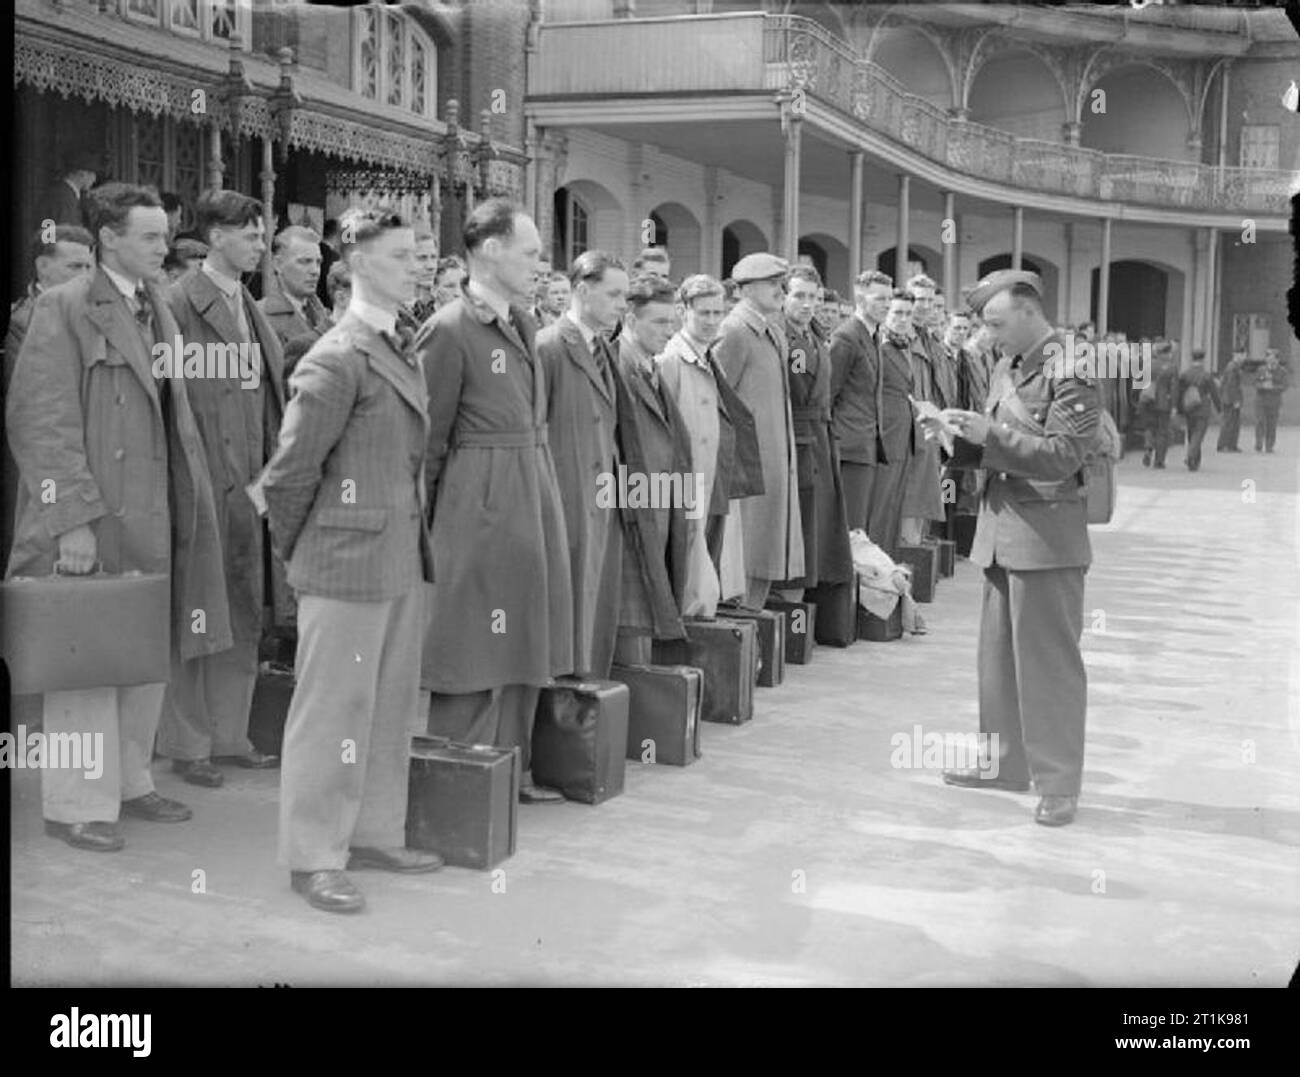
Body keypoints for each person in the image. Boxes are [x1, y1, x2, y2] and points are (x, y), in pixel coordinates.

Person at [6, 182, 231, 852]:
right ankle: (76, 802)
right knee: (87, 656)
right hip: (97, 513)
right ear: (108, 238)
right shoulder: (65, 307)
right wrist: (68, 519)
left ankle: (130, 781)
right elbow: (40, 421)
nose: (166, 248)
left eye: (165, 236)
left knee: (142, 652)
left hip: (154, 507)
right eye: (152, 237)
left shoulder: (154, 305)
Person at [261, 208, 442, 913]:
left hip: (397, 554)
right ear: (360, 263)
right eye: (403, 255)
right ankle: (313, 855)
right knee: (333, 710)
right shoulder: (335, 356)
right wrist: (305, 555)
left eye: (421, 254)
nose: (419, 266)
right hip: (342, 562)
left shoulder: (400, 344)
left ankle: (371, 831)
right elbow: (287, 474)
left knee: (390, 706)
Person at [928, 270, 1098, 828]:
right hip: (1002, 533)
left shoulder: (1071, 366)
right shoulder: (1009, 365)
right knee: (997, 661)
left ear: (1029, 312)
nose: (990, 336)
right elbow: (999, 448)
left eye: (997, 324)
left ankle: (1058, 784)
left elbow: (1062, 456)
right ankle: (1004, 764)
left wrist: (990, 437)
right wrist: (959, 440)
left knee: (1047, 665)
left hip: (1047, 539)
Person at [418, 200, 573, 805]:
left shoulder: (524, 323)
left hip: (530, 489)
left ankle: (512, 773)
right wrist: (427, 528)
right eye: (530, 252)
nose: (540, 264)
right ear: (489, 251)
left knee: (524, 636)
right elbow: (426, 439)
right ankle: (459, 782)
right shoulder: (452, 328)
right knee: (474, 645)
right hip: (476, 498)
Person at [158, 189, 286, 787]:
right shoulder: (178, 303)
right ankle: (189, 744)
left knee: (241, 607)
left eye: (261, 234)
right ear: (215, 238)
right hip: (204, 478)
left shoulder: (250, 306)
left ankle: (230, 735)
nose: (259, 243)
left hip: (251, 482)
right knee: (198, 611)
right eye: (249, 234)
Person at [537, 250, 628, 685]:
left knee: (591, 608)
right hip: (567, 498)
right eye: (612, 294)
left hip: (599, 498)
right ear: (581, 290)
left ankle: (584, 702)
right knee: (566, 613)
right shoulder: (551, 345)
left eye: (624, 296)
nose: (621, 305)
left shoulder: (602, 348)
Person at [657, 274, 761, 617]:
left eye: (718, 313)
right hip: (687, 481)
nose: (712, 321)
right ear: (683, 311)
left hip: (713, 475)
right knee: (691, 572)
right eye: (703, 313)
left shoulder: (706, 354)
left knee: (707, 562)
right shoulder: (672, 358)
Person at [713, 253, 804, 610]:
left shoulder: (773, 333)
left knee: (765, 556)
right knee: (745, 558)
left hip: (776, 465)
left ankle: (754, 633)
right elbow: (719, 401)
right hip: (748, 471)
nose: (780, 291)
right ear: (746, 289)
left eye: (781, 282)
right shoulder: (733, 331)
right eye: (771, 283)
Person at [3, 224, 96, 565]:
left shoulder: (90, 313)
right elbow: (33, 405)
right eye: (74, 267)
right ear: (43, 266)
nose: (84, 276)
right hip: (33, 468)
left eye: (89, 267)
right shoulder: (20, 322)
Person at [611, 274, 692, 664]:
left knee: (646, 616)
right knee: (631, 620)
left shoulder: (648, 365)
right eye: (659, 322)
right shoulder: (618, 364)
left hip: (656, 503)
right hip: (633, 511)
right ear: (630, 320)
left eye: (672, 320)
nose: (670, 330)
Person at [776, 265, 852, 598]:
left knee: (819, 524)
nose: (807, 304)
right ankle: (791, 599)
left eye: (813, 297)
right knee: (798, 526)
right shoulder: (780, 336)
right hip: (794, 438)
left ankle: (808, 601)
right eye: (799, 296)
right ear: (783, 297)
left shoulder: (817, 337)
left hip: (819, 436)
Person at [829, 270, 890, 534]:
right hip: (848, 446)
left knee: (858, 525)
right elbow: (828, 393)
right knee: (850, 527)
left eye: (888, 298)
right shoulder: (847, 337)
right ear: (861, 300)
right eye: (879, 299)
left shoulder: (873, 336)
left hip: (866, 444)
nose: (886, 305)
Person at [870, 291, 921, 558]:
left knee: (893, 510)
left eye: (907, 314)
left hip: (902, 439)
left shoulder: (904, 348)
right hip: (883, 439)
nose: (902, 319)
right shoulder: (878, 346)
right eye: (897, 313)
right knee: (878, 513)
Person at [899, 275, 948, 545]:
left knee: (921, 512)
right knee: (908, 511)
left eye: (930, 300)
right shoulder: (899, 338)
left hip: (929, 434)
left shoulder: (930, 340)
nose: (924, 306)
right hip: (909, 436)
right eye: (919, 299)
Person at [259, 225, 330, 347]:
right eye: (305, 261)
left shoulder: (325, 315)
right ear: (278, 264)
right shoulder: (259, 318)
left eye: (318, 262)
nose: (315, 271)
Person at [1175, 350, 1221, 471]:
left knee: (1191, 433)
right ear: (1202, 360)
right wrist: (1219, 408)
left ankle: (1195, 461)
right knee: (1199, 434)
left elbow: (1179, 392)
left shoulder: (1185, 374)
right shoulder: (1206, 375)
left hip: (1189, 407)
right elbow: (1214, 393)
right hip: (1202, 407)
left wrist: (1179, 408)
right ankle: (1191, 456)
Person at [37, 150, 101, 228]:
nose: (94, 180)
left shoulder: (66, 193)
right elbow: (65, 233)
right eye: (93, 175)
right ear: (82, 174)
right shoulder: (64, 196)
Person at [1138, 342, 1177, 468]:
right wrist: (1175, 405)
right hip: (1164, 403)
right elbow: (1174, 388)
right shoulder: (1172, 367)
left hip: (1148, 401)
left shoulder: (1149, 365)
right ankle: (1159, 461)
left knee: (1150, 426)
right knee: (1162, 431)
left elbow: (1139, 382)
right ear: (1167, 353)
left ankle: (1148, 447)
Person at [1253, 349, 1289, 453]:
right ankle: (1258, 444)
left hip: (1274, 402)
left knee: (1272, 424)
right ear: (1266, 359)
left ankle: (1269, 446)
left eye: (1274, 359)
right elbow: (1255, 382)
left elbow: (1285, 385)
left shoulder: (1282, 371)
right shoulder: (1261, 369)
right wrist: (1262, 386)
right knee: (1260, 422)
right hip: (1261, 401)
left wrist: (1273, 387)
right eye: (1269, 358)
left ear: (1278, 360)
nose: (1271, 361)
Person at [409, 231, 441, 324]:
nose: (431, 266)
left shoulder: (441, 305)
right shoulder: (392, 308)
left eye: (434, 257)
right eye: (422, 258)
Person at [1216, 354, 1245, 453]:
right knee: (1229, 422)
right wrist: (1235, 400)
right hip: (1230, 399)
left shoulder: (1232, 366)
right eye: (1243, 355)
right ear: (1237, 355)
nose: (1244, 358)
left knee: (1233, 422)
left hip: (1228, 398)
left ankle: (1231, 445)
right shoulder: (1233, 367)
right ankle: (1224, 445)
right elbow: (1231, 385)